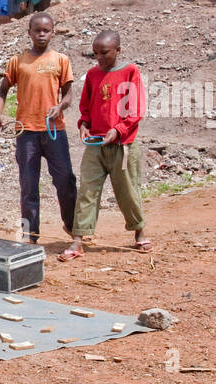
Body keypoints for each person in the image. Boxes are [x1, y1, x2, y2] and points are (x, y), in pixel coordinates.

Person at [59, 30, 149, 261]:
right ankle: (78, 240)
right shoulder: (92, 74)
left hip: (123, 144)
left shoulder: (131, 72)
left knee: (127, 190)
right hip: (96, 144)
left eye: (105, 53)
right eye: (96, 53)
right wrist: (84, 124)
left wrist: (117, 130)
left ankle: (139, 232)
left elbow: (136, 109)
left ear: (118, 50)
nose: (99, 57)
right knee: (88, 191)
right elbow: (86, 106)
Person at [0, 12, 76, 244]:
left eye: (46, 30)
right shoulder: (17, 61)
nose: (41, 34)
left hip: (54, 131)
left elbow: (68, 94)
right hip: (26, 132)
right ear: (29, 32)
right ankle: (30, 235)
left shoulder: (61, 60)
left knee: (66, 180)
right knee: (28, 186)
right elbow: (3, 90)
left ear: (53, 32)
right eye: (37, 30)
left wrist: (60, 107)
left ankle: (72, 226)